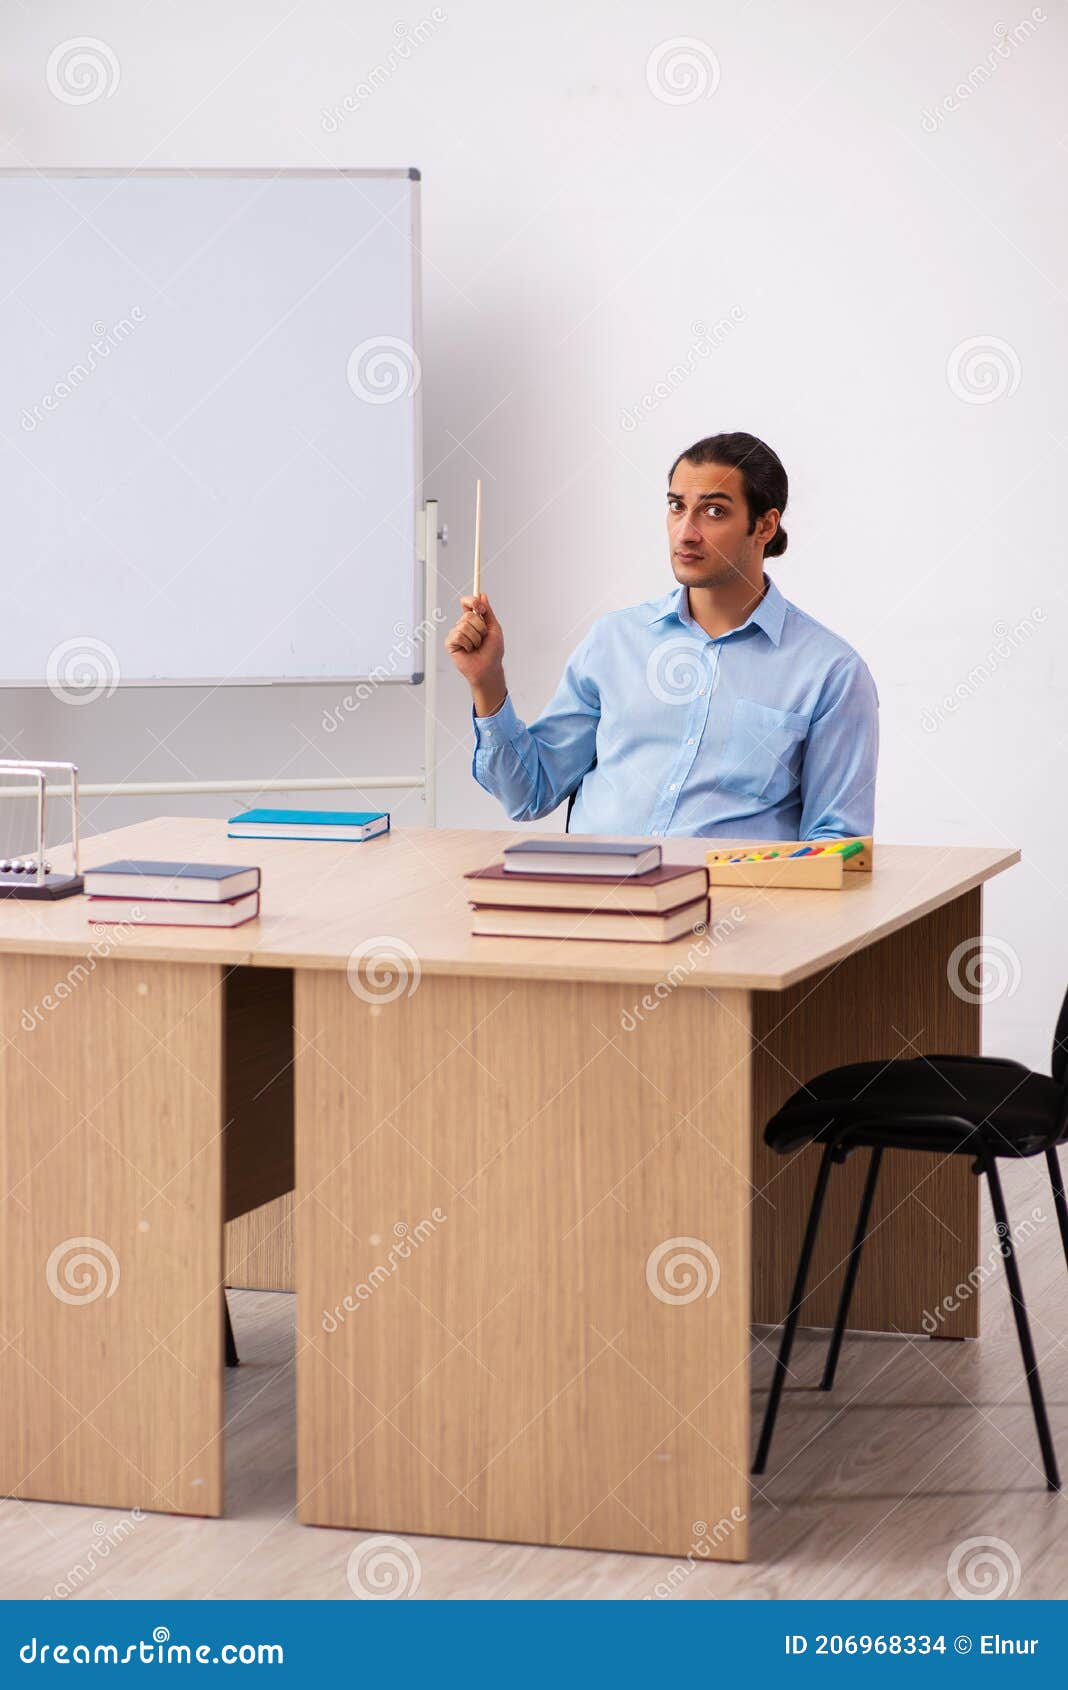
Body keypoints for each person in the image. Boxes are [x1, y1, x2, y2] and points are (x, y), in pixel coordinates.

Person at [445, 431, 878, 840]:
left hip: (729, 913)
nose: (685, 532)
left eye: (714, 511)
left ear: (764, 526)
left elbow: (836, 846)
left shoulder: (830, 672)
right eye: (676, 507)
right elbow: (528, 795)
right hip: (592, 903)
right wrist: (487, 682)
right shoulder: (615, 641)